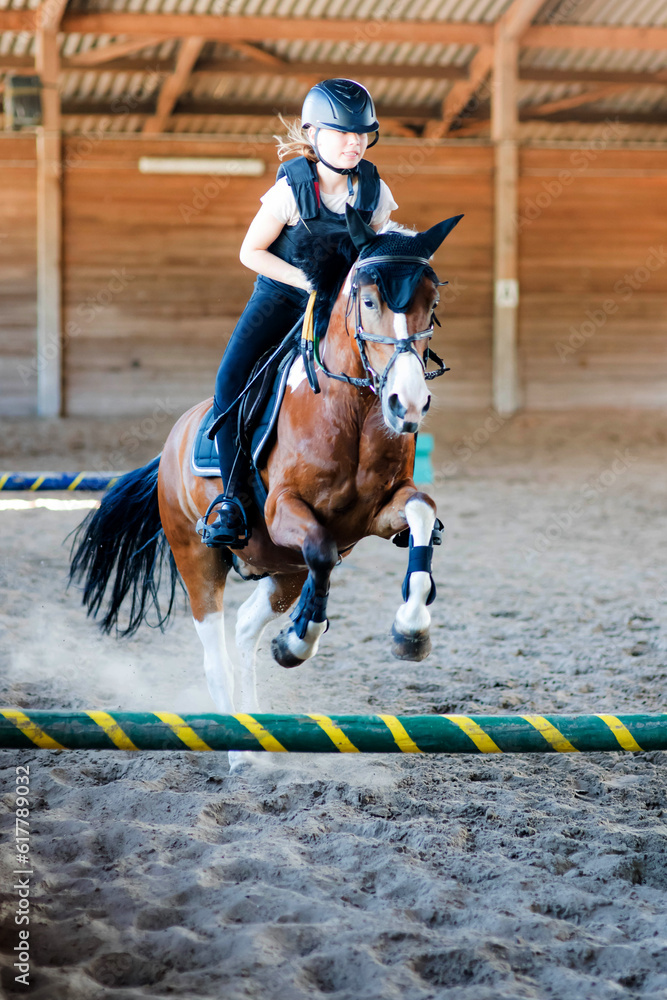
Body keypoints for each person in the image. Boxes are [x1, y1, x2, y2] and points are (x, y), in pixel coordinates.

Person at [197, 78, 398, 548]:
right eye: (341, 133)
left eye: (361, 134)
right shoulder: (291, 190)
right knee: (230, 379)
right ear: (313, 135)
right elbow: (251, 252)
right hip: (280, 298)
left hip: (340, 311)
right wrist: (311, 282)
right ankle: (230, 498)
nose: (354, 143)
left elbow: (373, 259)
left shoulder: (376, 192)